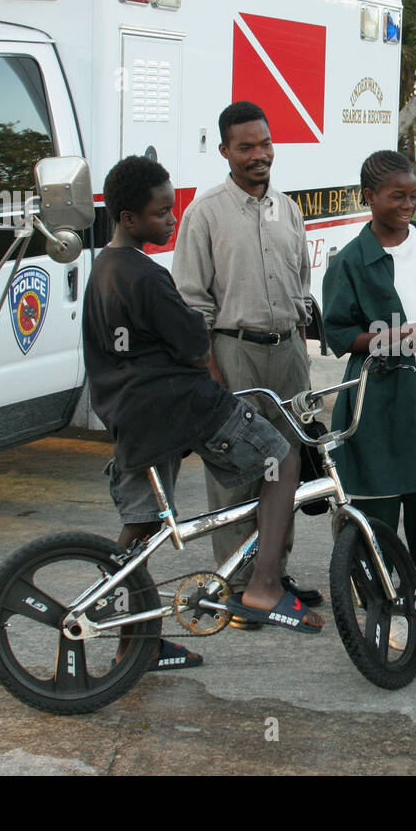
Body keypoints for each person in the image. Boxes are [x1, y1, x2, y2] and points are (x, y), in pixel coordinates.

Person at [83, 156, 320, 656]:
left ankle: (136, 645)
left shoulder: (104, 267)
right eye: (160, 213)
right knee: (282, 457)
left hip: (133, 418)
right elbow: (193, 340)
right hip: (178, 407)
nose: (171, 219)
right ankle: (265, 585)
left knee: (144, 526)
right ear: (128, 219)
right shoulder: (146, 276)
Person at [321, 150, 416, 650]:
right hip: (381, 395)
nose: (409, 204)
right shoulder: (351, 260)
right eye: (397, 196)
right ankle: (385, 603)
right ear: (369, 198)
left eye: (413, 194)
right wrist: (396, 336)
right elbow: (339, 332)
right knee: (381, 493)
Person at [171, 101, 322, 618]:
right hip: (233, 355)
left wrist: (300, 345)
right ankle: (234, 588)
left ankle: (273, 577)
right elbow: (191, 302)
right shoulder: (205, 212)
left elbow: (302, 284)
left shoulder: (289, 208)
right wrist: (212, 373)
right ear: (224, 152)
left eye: (265, 143)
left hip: (287, 357)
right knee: (238, 469)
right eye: (246, 147)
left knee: (288, 469)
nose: (259, 155)